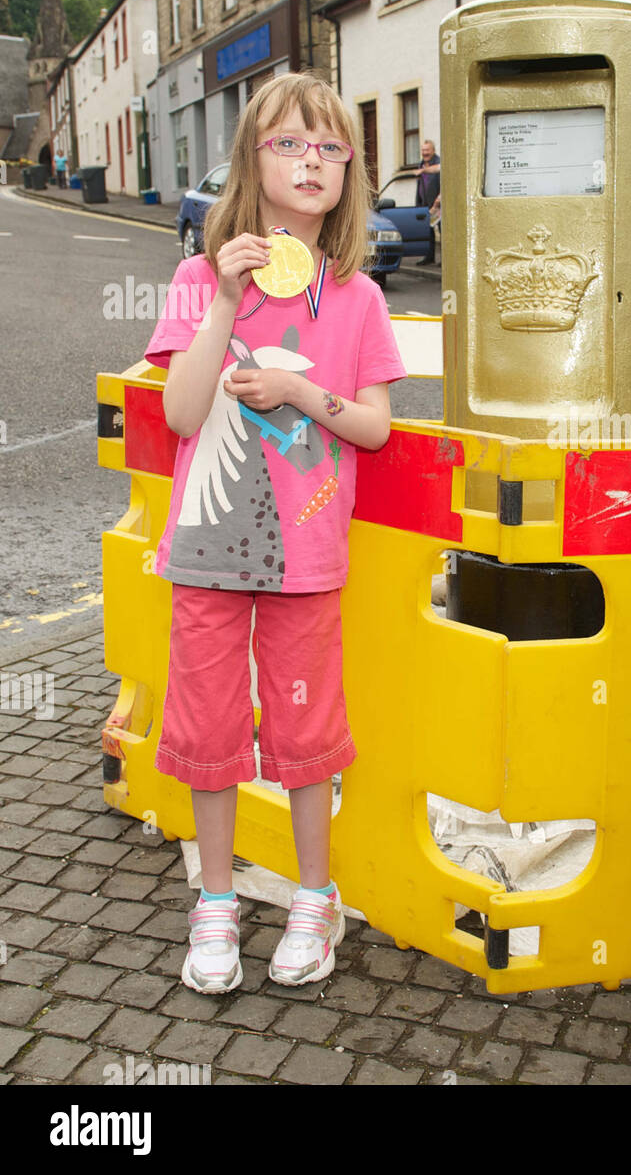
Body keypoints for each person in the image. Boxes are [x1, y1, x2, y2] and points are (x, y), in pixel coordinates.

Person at [143, 71, 406, 994]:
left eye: (330, 148)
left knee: (304, 733)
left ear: (347, 174)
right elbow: (180, 413)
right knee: (208, 726)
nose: (312, 162)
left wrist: (298, 390)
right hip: (207, 550)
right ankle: (214, 902)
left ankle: (313, 895)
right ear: (250, 162)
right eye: (290, 144)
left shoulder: (357, 297)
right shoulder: (193, 280)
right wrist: (223, 299)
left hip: (308, 554)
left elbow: (373, 426)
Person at [415, 139, 440, 265]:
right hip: (425, 204)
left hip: (439, 205)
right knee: (428, 232)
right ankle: (429, 257)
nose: (425, 153)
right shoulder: (421, 165)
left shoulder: (438, 162)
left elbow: (443, 185)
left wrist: (437, 203)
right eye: (423, 150)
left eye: (427, 150)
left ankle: (445, 260)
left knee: (442, 231)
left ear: (433, 151)